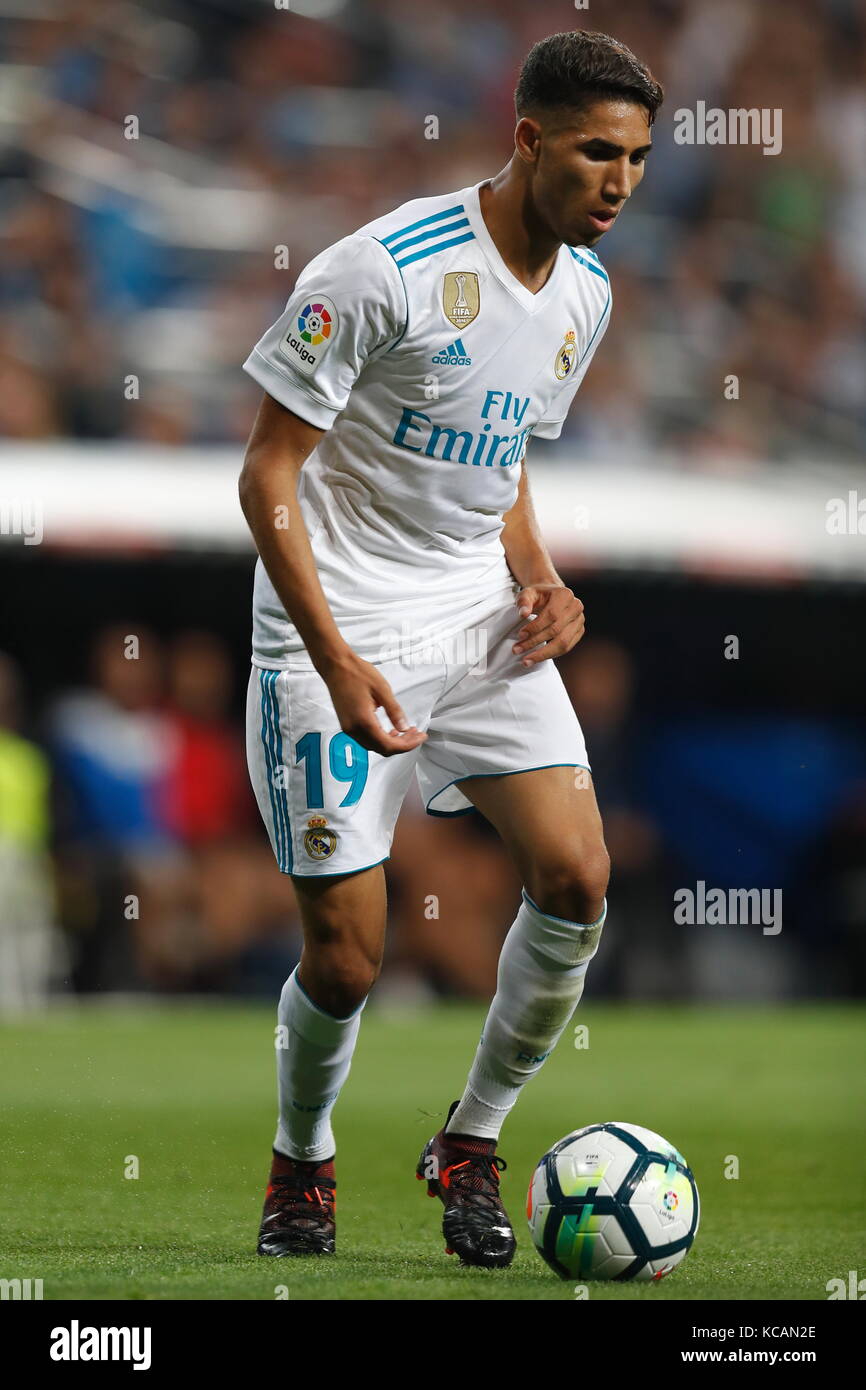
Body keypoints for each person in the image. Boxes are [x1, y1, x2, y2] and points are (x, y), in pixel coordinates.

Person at [239, 30, 663, 1267]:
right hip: (338, 626)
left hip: (476, 616)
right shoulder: (380, 269)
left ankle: (469, 1143)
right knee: (349, 955)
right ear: (527, 137)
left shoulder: (584, 293)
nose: (619, 183)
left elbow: (503, 449)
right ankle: (302, 1162)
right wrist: (328, 658)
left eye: (635, 158)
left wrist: (539, 578)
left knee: (577, 877)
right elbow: (267, 469)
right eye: (595, 152)